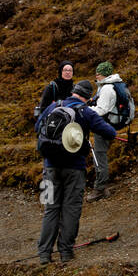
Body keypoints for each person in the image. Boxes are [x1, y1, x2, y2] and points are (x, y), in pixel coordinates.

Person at [37, 78, 116, 264]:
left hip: (49, 167)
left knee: (51, 209)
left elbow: (37, 126)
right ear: (88, 97)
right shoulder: (86, 112)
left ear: (74, 91)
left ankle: (44, 254)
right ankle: (65, 253)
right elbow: (110, 133)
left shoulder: (54, 107)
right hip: (74, 168)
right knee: (71, 209)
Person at [88, 60, 126, 201]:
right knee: (100, 155)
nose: (96, 76)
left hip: (103, 125)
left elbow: (101, 110)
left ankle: (100, 189)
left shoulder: (107, 89)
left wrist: (85, 110)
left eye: (98, 74)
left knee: (99, 156)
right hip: (107, 124)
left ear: (104, 74)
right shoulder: (109, 86)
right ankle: (101, 185)